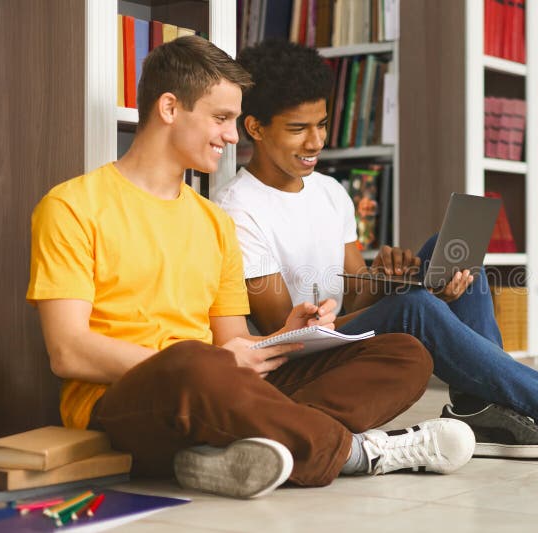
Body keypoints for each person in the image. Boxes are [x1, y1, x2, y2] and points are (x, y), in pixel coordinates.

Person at [26, 36, 476, 500]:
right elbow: (69, 352)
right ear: (168, 108)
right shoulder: (73, 207)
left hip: (216, 385)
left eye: (235, 121)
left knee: (403, 355)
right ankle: (355, 453)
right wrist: (215, 362)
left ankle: (234, 449)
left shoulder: (214, 223)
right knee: (190, 361)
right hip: (125, 402)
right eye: (220, 119)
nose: (232, 136)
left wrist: (287, 334)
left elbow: (231, 343)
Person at [216, 39, 538, 460]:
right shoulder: (239, 210)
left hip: (345, 333)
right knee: (414, 307)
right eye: (298, 129)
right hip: (300, 363)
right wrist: (404, 300)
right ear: (255, 128)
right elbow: (291, 335)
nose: (316, 141)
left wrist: (388, 277)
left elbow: (354, 293)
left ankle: (481, 409)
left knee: (452, 253)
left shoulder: (330, 192)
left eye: (322, 124)